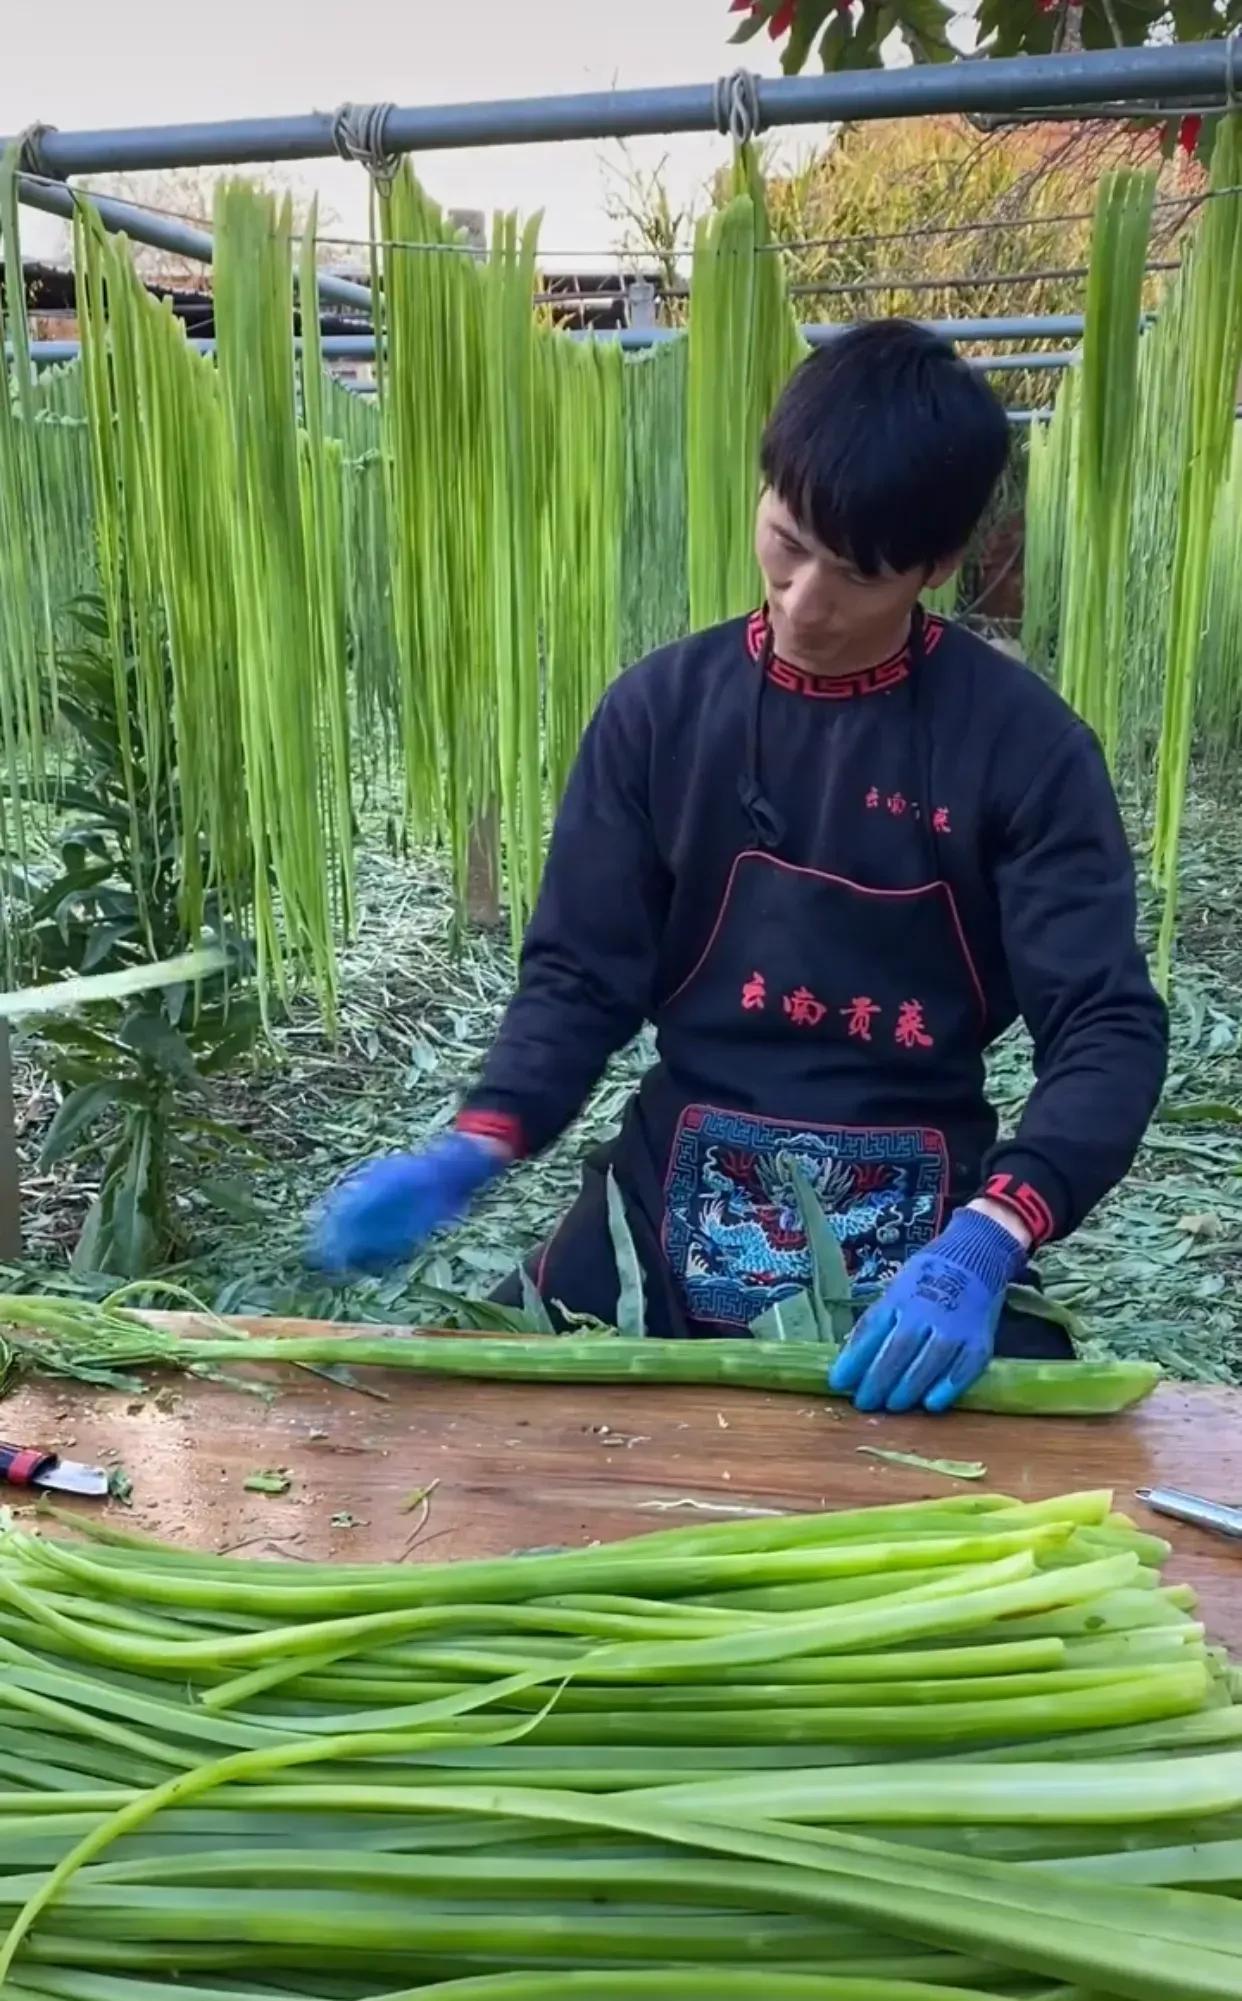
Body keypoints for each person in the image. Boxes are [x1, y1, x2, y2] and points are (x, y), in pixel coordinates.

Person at [311, 319, 1168, 1414]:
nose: (805, 601)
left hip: (922, 1221)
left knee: (1005, 1487)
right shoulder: (660, 716)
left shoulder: (1025, 749)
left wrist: (995, 1232)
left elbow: (1107, 1025)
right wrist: (482, 1138)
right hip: (671, 1188)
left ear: (938, 567)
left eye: (856, 574)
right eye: (787, 540)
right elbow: (583, 973)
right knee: (494, 1422)